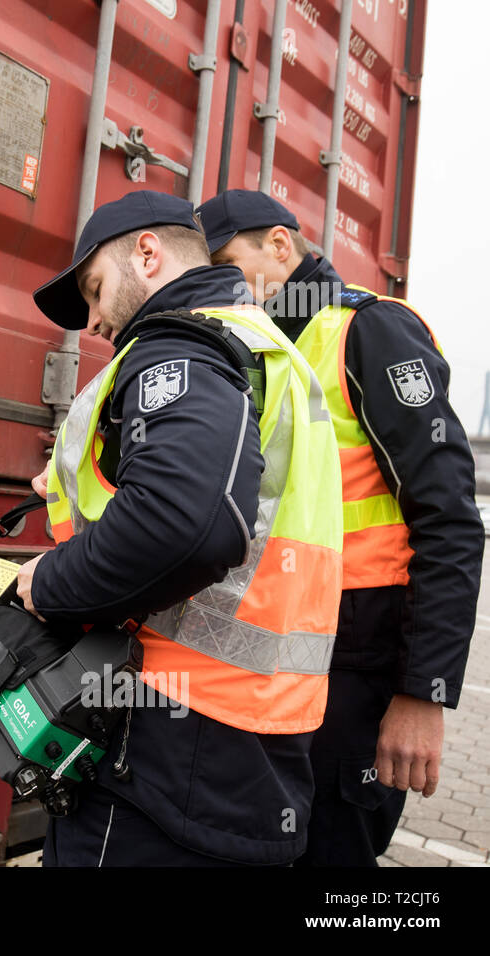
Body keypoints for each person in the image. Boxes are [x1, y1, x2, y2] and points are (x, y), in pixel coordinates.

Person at [15, 190, 343, 866]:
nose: (96, 319)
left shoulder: (184, 345)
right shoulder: (257, 343)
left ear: (148, 252)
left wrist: (48, 582)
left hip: (170, 739)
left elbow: (185, 525)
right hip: (252, 733)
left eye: (98, 290)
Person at [197, 189, 484, 865]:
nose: (220, 287)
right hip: (279, 671)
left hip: (360, 673)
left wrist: (422, 694)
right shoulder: (257, 355)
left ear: (279, 245)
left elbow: (450, 520)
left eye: (226, 264)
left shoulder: (371, 330)